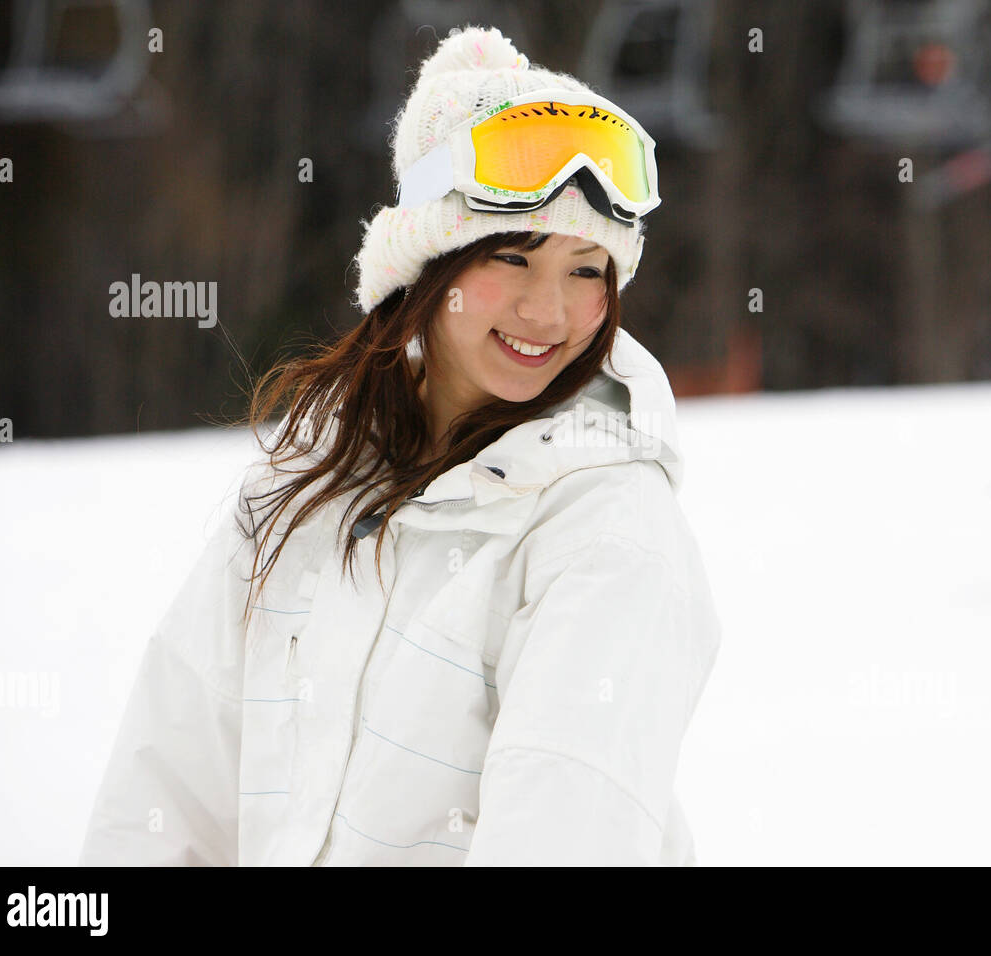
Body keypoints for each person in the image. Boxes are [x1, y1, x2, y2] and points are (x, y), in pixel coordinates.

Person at [77, 24, 722, 866]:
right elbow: (166, 794)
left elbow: (569, 827)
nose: (548, 311)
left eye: (585, 270)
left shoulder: (608, 527)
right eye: (513, 256)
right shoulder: (305, 486)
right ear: (426, 264)